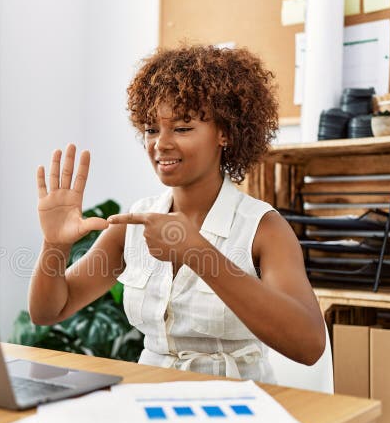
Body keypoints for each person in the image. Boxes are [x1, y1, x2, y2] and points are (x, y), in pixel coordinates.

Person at [28, 45, 325, 382]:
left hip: (237, 404)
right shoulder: (135, 223)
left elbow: (309, 345)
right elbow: (49, 310)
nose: (161, 144)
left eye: (182, 128)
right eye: (152, 129)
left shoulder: (264, 228)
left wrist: (197, 252)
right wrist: (54, 245)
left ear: (225, 133)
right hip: (149, 397)